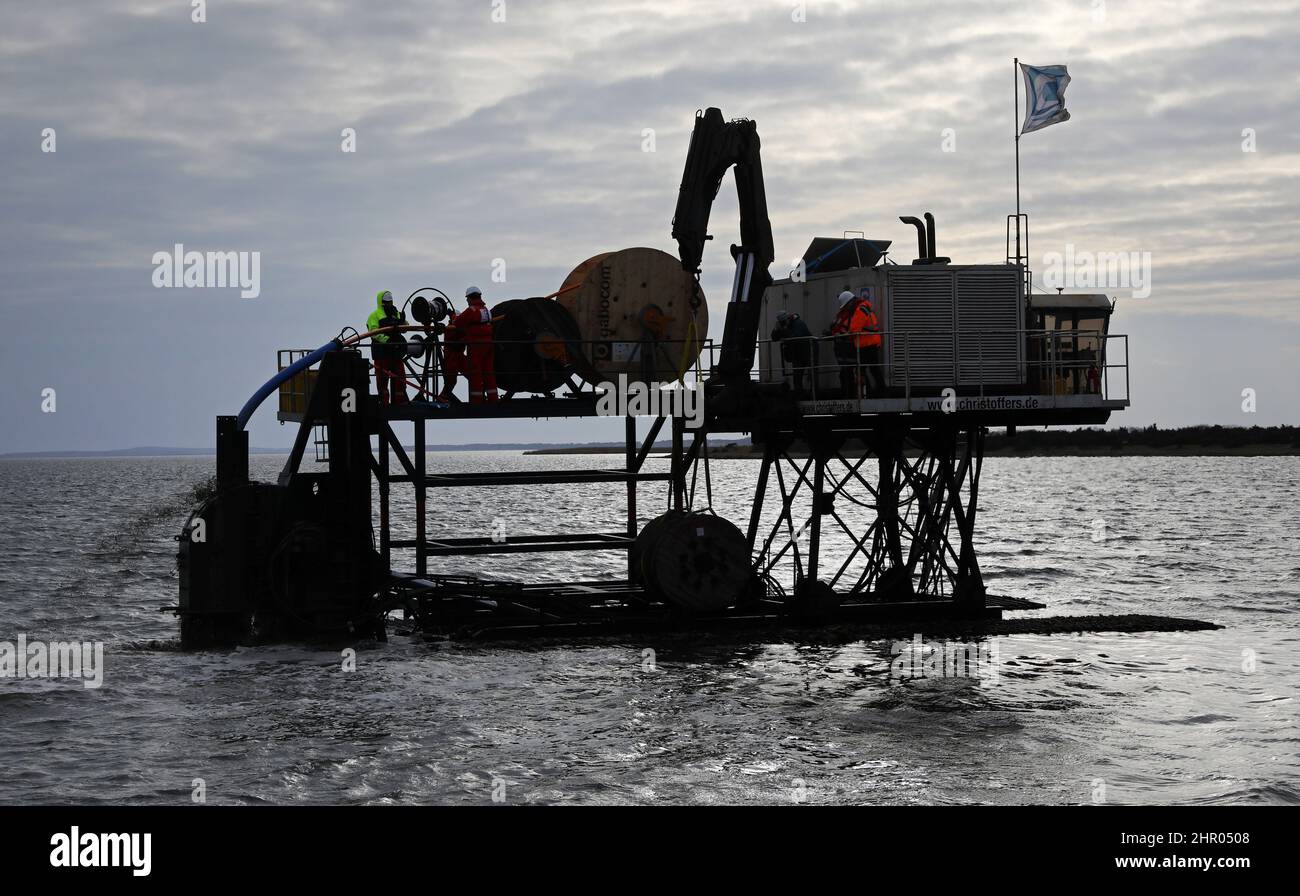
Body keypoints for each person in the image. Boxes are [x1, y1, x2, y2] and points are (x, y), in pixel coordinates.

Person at [453, 286, 498, 403]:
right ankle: (493, 398)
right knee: (489, 372)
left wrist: (453, 317)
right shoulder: (486, 310)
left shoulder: (471, 311)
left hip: (476, 346)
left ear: (469, 298)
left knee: (475, 373)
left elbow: (457, 322)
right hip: (489, 345)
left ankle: (477, 399)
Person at [366, 290, 408, 405]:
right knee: (382, 380)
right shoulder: (374, 316)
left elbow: (405, 328)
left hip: (396, 352)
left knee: (400, 377)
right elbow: (373, 332)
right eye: (386, 302)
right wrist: (387, 340)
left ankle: (400, 401)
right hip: (382, 353)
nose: (389, 304)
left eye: (390, 302)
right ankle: (384, 403)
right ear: (381, 302)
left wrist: (403, 321)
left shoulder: (396, 313)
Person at [771, 310, 814, 395]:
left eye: (784, 321)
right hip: (797, 354)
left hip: (808, 351)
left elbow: (795, 338)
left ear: (788, 319)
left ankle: (814, 395)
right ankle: (799, 396)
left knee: (812, 374)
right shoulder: (785, 325)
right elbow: (774, 338)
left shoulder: (798, 324)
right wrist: (776, 329)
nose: (783, 323)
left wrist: (785, 329)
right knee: (797, 377)